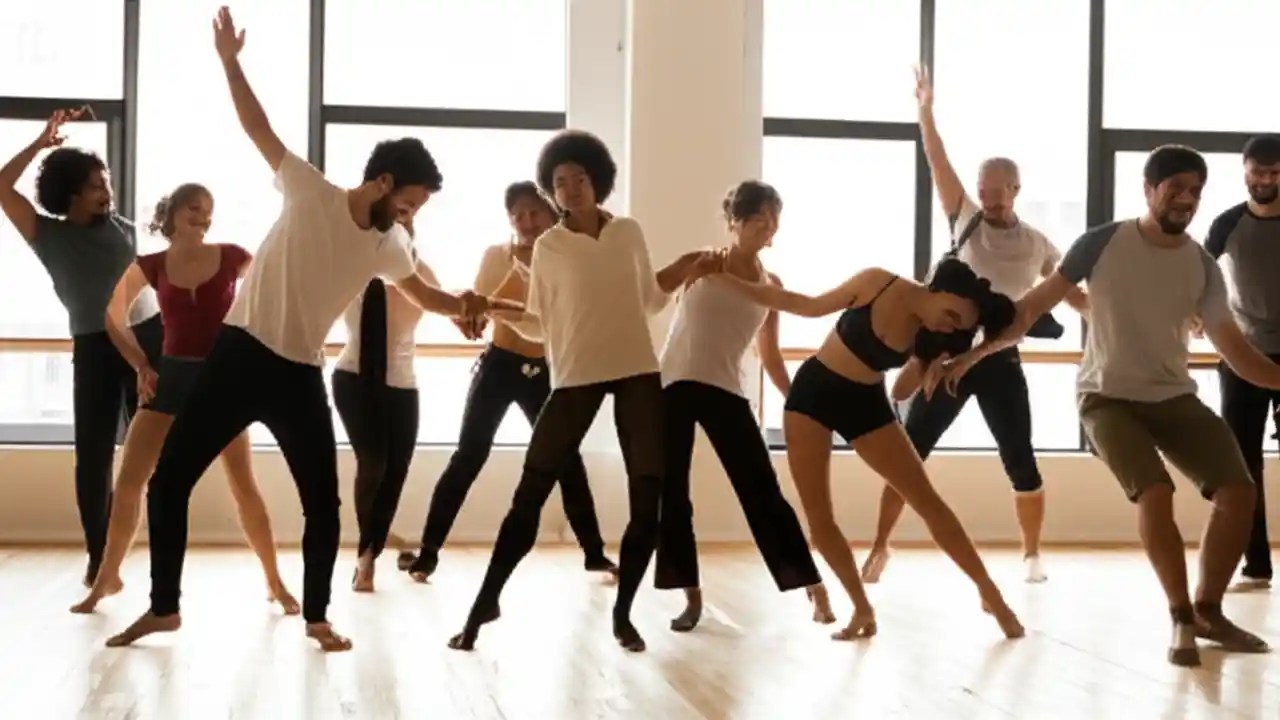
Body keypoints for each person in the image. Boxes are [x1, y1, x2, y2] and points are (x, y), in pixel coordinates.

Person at [104, 7, 509, 652]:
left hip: (299, 374)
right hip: (238, 356)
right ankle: (164, 606)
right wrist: (230, 62)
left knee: (323, 504)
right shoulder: (309, 189)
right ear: (378, 182)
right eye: (404, 204)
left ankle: (317, 616)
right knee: (170, 480)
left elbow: (421, 291)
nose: (406, 218)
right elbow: (257, 126)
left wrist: (462, 301)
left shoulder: (388, 243)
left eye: (414, 211)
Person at [940, 145, 1276, 666]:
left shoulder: (1203, 266)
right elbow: (1031, 307)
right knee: (1156, 492)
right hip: (1106, 399)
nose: (1186, 199)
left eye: (1195, 191)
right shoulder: (1101, 243)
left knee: (1238, 490)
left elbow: (1235, 349)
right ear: (1148, 190)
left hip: (1172, 397)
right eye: (1175, 189)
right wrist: (977, 352)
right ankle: (1181, 615)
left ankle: (1209, 608)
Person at [448, 129, 720, 653]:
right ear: (552, 190)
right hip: (575, 373)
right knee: (529, 494)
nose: (570, 189)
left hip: (636, 369)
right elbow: (541, 325)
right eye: (560, 182)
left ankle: (622, 615)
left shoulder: (629, 233)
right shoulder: (549, 246)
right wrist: (494, 308)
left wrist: (687, 264)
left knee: (647, 501)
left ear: (598, 182)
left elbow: (649, 300)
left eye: (579, 179)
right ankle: (485, 604)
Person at [707, 257, 1026, 641]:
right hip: (813, 395)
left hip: (866, 403)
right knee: (820, 519)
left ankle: (992, 595)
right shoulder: (878, 282)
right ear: (938, 289)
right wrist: (727, 280)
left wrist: (938, 366)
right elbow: (804, 305)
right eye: (953, 315)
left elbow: (899, 391)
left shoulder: (934, 334)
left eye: (961, 326)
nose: (952, 326)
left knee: (927, 500)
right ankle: (861, 609)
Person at [862, 65, 1087, 586]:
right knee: (909, 450)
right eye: (982, 188)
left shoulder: (1038, 243)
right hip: (948, 354)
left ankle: (1032, 554)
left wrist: (1112, 317)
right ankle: (879, 545)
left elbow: (1072, 296)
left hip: (999, 357)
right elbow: (937, 160)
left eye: (997, 189)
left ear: (1016, 187)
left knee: (1020, 458)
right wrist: (925, 112)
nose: (988, 197)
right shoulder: (965, 220)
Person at [70, 184, 297, 614]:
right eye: (195, 208)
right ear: (173, 213)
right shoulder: (151, 264)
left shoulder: (231, 255)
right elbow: (111, 312)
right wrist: (140, 363)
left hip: (221, 383)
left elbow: (276, 277)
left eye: (209, 211)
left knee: (243, 485)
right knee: (129, 482)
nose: (204, 217)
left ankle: (275, 582)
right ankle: (106, 579)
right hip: (169, 380)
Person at [402, 181, 616, 583]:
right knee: (469, 455)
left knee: (567, 461)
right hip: (499, 366)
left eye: (534, 212)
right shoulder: (496, 255)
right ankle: (428, 553)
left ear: (552, 214)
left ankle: (595, 554)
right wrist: (486, 301)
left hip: (546, 369)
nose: (527, 222)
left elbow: (564, 314)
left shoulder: (566, 256)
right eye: (518, 215)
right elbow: (478, 312)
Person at [654, 180, 832, 632]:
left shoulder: (770, 285)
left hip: (726, 389)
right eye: (759, 217)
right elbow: (653, 290)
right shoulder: (704, 262)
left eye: (774, 219)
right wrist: (684, 266)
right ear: (735, 221)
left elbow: (768, 355)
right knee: (671, 494)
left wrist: (798, 400)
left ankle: (811, 583)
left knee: (761, 489)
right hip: (674, 384)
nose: (768, 227)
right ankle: (691, 596)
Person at [0, 107, 165, 587]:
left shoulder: (129, 229)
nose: (105, 190)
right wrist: (38, 144)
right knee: (93, 455)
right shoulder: (47, 235)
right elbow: (2, 188)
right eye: (95, 184)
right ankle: (99, 558)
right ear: (71, 193)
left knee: (150, 451)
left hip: (148, 341)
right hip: (94, 347)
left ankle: (148, 552)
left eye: (106, 180)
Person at [331, 211, 459, 593]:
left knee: (395, 472)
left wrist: (476, 312)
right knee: (373, 463)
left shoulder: (422, 275)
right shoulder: (351, 272)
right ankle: (365, 558)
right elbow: (313, 310)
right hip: (353, 379)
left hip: (402, 384)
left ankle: (369, 552)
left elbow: (452, 309)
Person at [1204, 134, 1280, 591]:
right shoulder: (1227, 223)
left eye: (1274, 173)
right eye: (1258, 171)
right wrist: (1199, 316)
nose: (1266, 180)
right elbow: (1199, 275)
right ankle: (1255, 565)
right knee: (1241, 463)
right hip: (1243, 354)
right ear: (1245, 170)